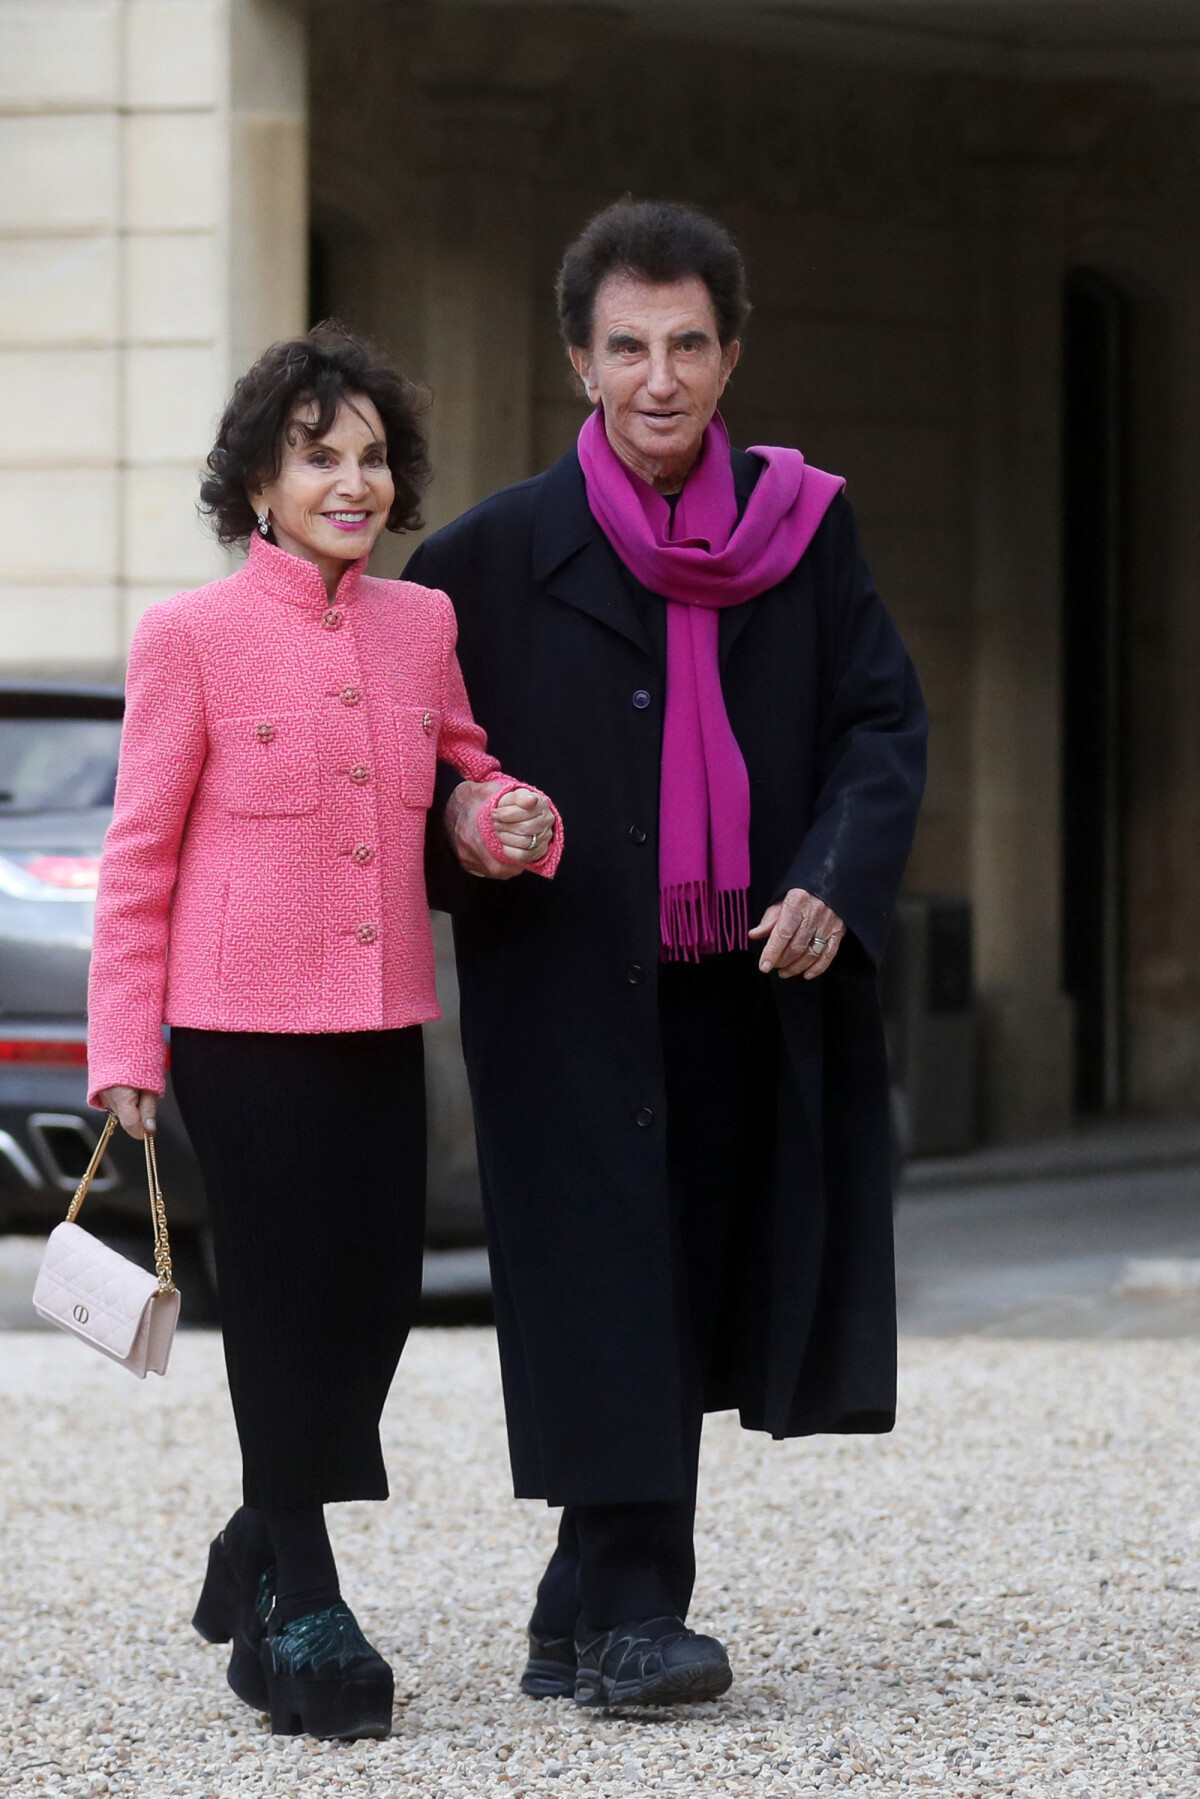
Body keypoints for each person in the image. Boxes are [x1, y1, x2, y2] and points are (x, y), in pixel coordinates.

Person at [406, 199, 927, 1708]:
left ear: (731, 355)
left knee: (691, 1288)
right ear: (578, 361)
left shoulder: (806, 528)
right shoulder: (487, 560)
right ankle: (638, 1618)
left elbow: (880, 724)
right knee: (603, 1282)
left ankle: (579, 1600)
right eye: (626, 347)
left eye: (688, 345)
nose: (659, 378)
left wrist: (833, 876)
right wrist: (468, 825)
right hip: (566, 995)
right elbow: (414, 774)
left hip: (747, 991)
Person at [85, 325, 559, 1741]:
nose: (353, 483)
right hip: (237, 1028)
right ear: (258, 485)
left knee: (378, 1300)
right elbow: (138, 855)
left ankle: (252, 1537)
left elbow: (461, 769)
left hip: (383, 1015)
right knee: (286, 1307)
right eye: (317, 459)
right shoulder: (190, 637)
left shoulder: (423, 624)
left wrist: (498, 817)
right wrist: (125, 1048)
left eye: (372, 457)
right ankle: (304, 1602)